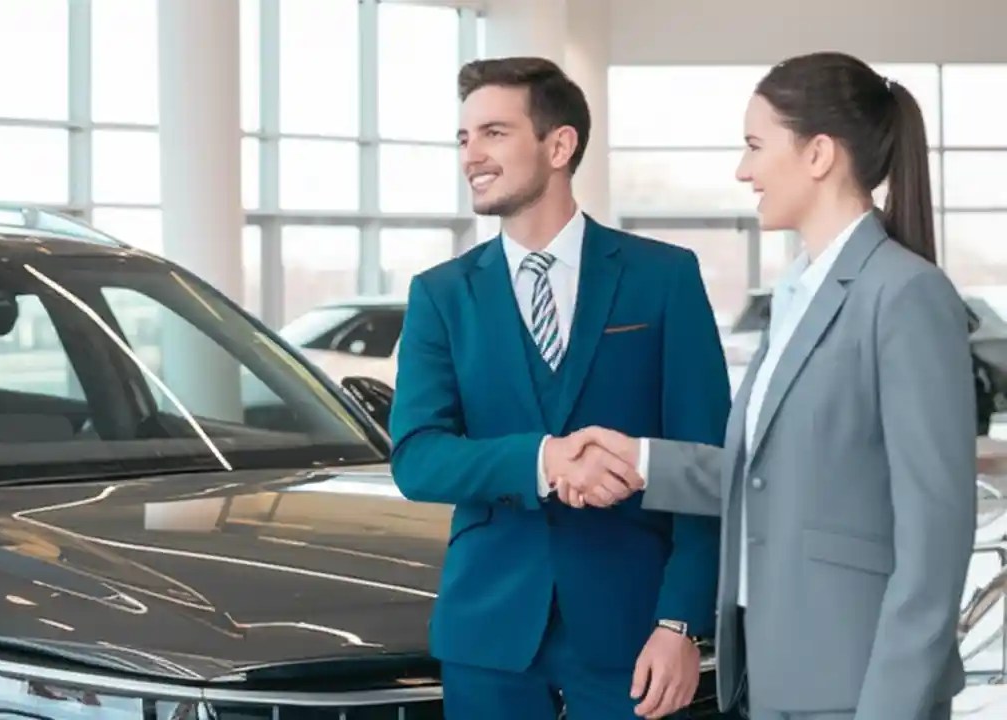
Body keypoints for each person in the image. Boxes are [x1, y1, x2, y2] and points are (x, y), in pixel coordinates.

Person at [558, 51, 977, 720]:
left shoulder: (905, 295)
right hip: (776, 678)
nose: (743, 170)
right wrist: (641, 460)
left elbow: (936, 538)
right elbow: (770, 478)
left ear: (817, 155)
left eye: (755, 146)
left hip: (859, 691)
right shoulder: (797, 294)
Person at [388, 56, 732, 720]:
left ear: (559, 144)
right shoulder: (440, 295)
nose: (471, 156)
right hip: (488, 633)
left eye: (493, 132)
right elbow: (418, 456)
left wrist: (681, 622)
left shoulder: (663, 279)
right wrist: (542, 460)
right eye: (463, 138)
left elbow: (707, 464)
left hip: (634, 632)